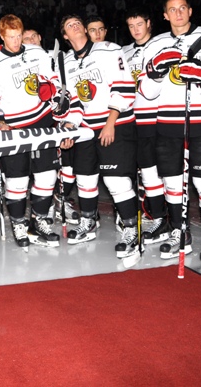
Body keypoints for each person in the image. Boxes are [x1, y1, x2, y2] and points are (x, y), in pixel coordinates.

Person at [137, 0, 201, 267]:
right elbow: (146, 91)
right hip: (168, 125)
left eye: (182, 8)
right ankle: (181, 232)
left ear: (190, 11)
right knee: (172, 185)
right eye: (172, 10)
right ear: (165, 15)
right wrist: (155, 72)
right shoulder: (155, 43)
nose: (178, 13)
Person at [0, 15, 72, 250]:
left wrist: (52, 91)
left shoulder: (37, 53)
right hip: (14, 129)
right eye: (11, 37)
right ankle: (19, 224)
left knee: (47, 176)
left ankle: (38, 223)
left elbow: (53, 80)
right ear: (1, 36)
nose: (16, 41)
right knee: (17, 180)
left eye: (19, 35)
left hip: (42, 122)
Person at [60, 14, 139, 258]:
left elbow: (124, 86)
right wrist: (70, 128)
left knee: (116, 182)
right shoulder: (69, 63)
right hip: (85, 130)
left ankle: (130, 229)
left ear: (84, 28)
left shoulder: (108, 50)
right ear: (65, 36)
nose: (74, 25)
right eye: (68, 25)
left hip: (114, 125)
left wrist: (110, 122)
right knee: (85, 180)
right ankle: (88, 223)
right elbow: (75, 102)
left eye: (77, 22)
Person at [122, 9, 168, 244]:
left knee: (168, 172)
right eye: (131, 25)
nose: (136, 29)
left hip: (160, 117)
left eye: (139, 23)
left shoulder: (162, 45)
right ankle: (158, 215)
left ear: (149, 22)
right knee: (147, 171)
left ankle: (167, 219)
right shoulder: (124, 52)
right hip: (134, 119)